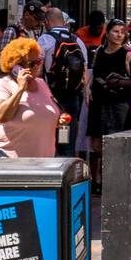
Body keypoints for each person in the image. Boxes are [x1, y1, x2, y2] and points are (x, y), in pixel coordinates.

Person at [0, 38, 61, 159]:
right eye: (32, 63)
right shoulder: (2, 84)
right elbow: (1, 116)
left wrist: (58, 119)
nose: (38, 66)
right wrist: (21, 88)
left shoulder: (42, 83)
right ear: (16, 67)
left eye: (39, 61)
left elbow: (43, 114)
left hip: (41, 162)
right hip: (8, 159)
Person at [87, 19, 131, 192]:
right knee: (97, 144)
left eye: (122, 32)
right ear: (108, 32)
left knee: (114, 142)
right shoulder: (99, 51)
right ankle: (100, 179)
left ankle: (113, 180)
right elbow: (92, 72)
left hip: (117, 104)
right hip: (98, 102)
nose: (119, 35)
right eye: (115, 31)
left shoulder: (127, 54)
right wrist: (88, 88)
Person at [44, 8, 89, 156]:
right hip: (72, 98)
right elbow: (85, 71)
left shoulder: (46, 39)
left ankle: (52, 169)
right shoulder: (78, 41)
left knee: (49, 137)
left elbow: (35, 65)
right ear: (64, 22)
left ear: (47, 22)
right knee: (67, 136)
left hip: (51, 97)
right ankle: (66, 165)